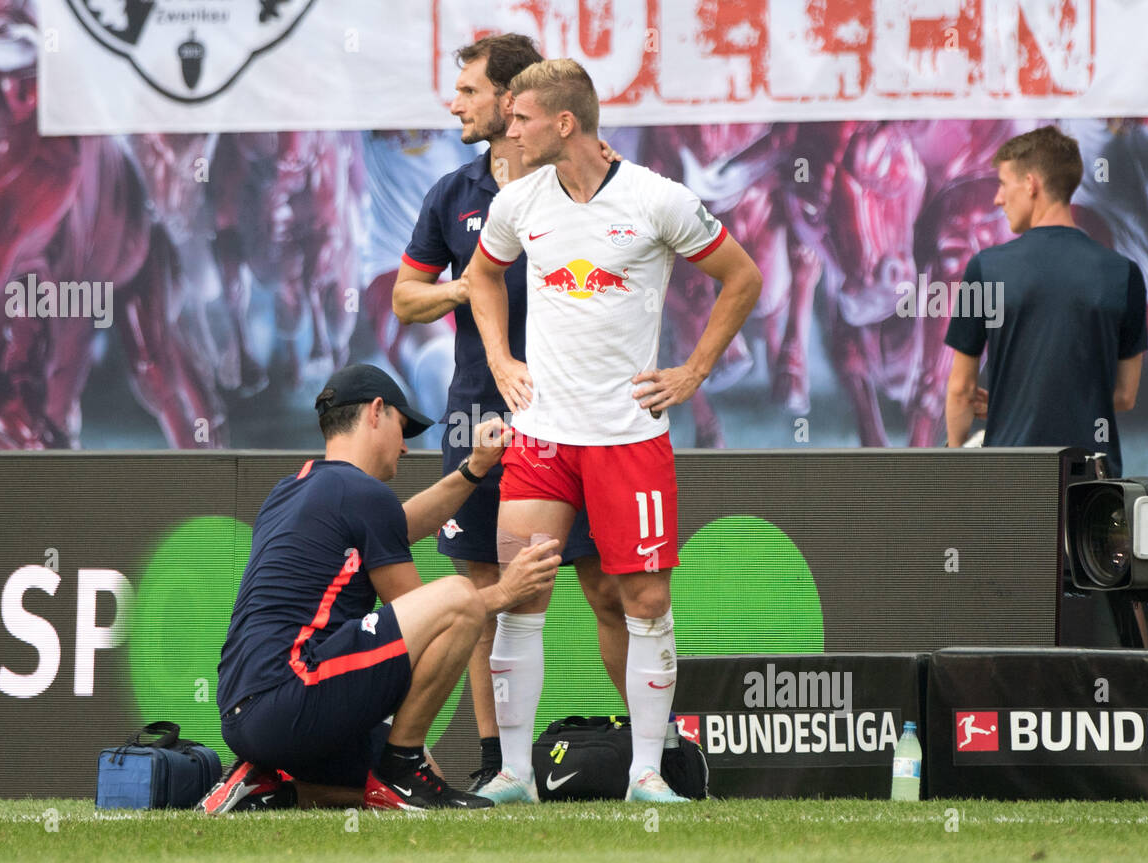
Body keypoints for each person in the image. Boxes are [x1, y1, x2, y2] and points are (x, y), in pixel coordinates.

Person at [467, 59, 763, 803]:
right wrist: (501, 358)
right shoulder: (517, 199)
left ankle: (646, 776)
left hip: (628, 440)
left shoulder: (657, 200)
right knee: (518, 596)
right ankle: (510, 774)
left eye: (522, 118)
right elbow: (478, 276)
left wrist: (690, 374)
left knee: (645, 605)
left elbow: (744, 277)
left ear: (564, 124)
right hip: (541, 439)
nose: (511, 129)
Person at [392, 34, 628, 792]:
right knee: (485, 592)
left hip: (579, 421)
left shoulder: (592, 185)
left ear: (510, 98)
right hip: (480, 422)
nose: (453, 103)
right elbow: (403, 299)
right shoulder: (453, 194)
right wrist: (472, 285)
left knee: (606, 590)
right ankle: (502, 765)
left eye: (467, 90)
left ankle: (659, 758)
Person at [205, 363, 560, 812]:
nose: (406, 447)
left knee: (418, 778)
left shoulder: (290, 491)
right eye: (403, 426)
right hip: (293, 694)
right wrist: (505, 593)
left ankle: (273, 787)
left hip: (243, 716)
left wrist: (473, 469)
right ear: (376, 412)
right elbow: (434, 616)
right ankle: (402, 768)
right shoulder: (364, 496)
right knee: (457, 597)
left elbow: (399, 524)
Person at [945, 125, 1147, 475]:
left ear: (1031, 184)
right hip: (1093, 483)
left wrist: (952, 460)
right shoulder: (1124, 273)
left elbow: (962, 389)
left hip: (1009, 480)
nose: (997, 198)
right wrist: (1016, 403)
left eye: (1003, 184)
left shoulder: (985, 268)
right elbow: (1125, 395)